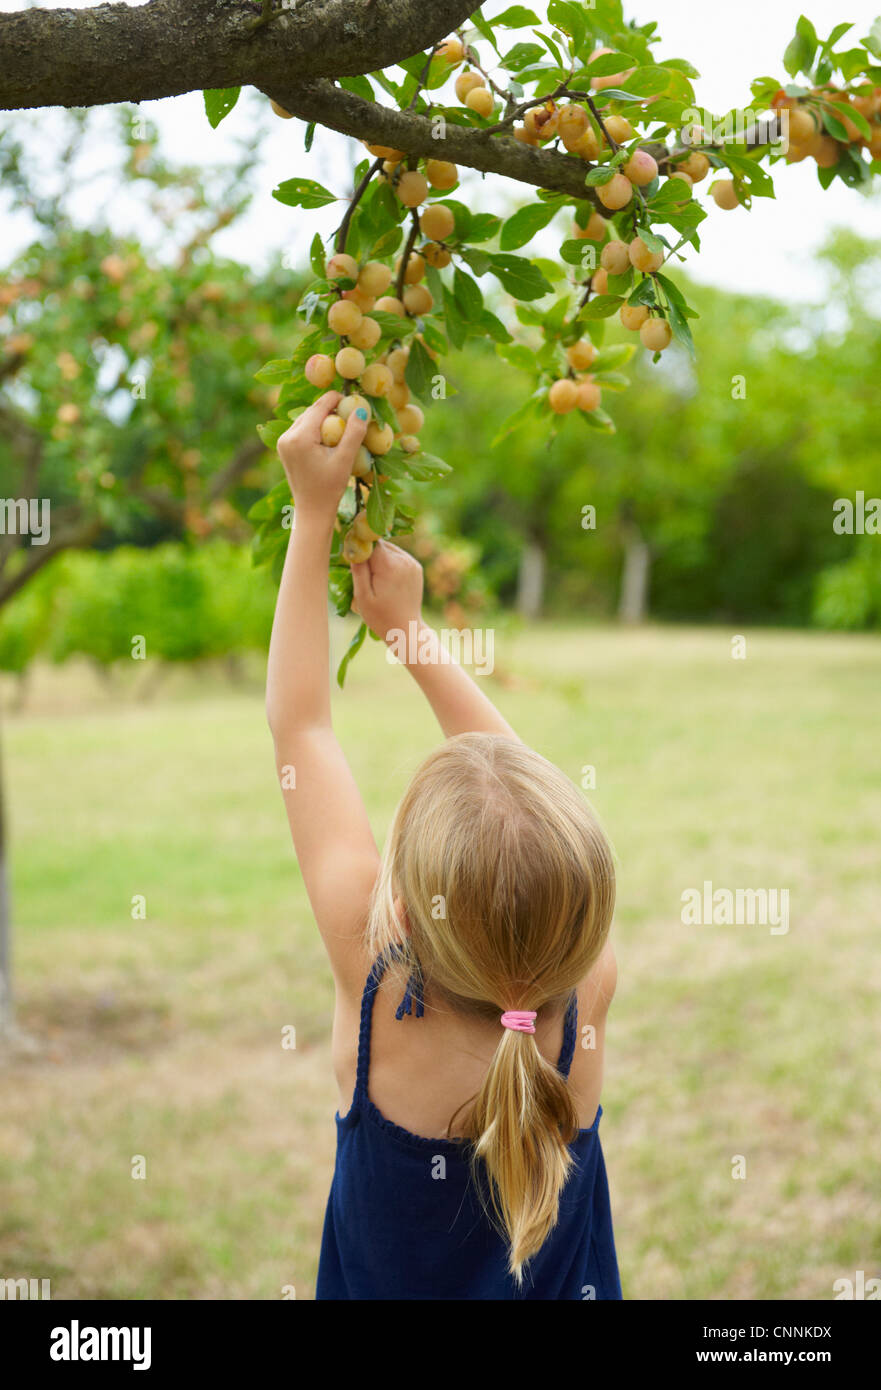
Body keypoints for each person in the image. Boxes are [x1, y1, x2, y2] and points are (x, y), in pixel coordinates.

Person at [266, 392, 621, 1299]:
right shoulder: (587, 989)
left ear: (399, 906)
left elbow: (303, 727)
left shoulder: (374, 984)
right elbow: (302, 732)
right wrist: (415, 638)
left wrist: (316, 521)